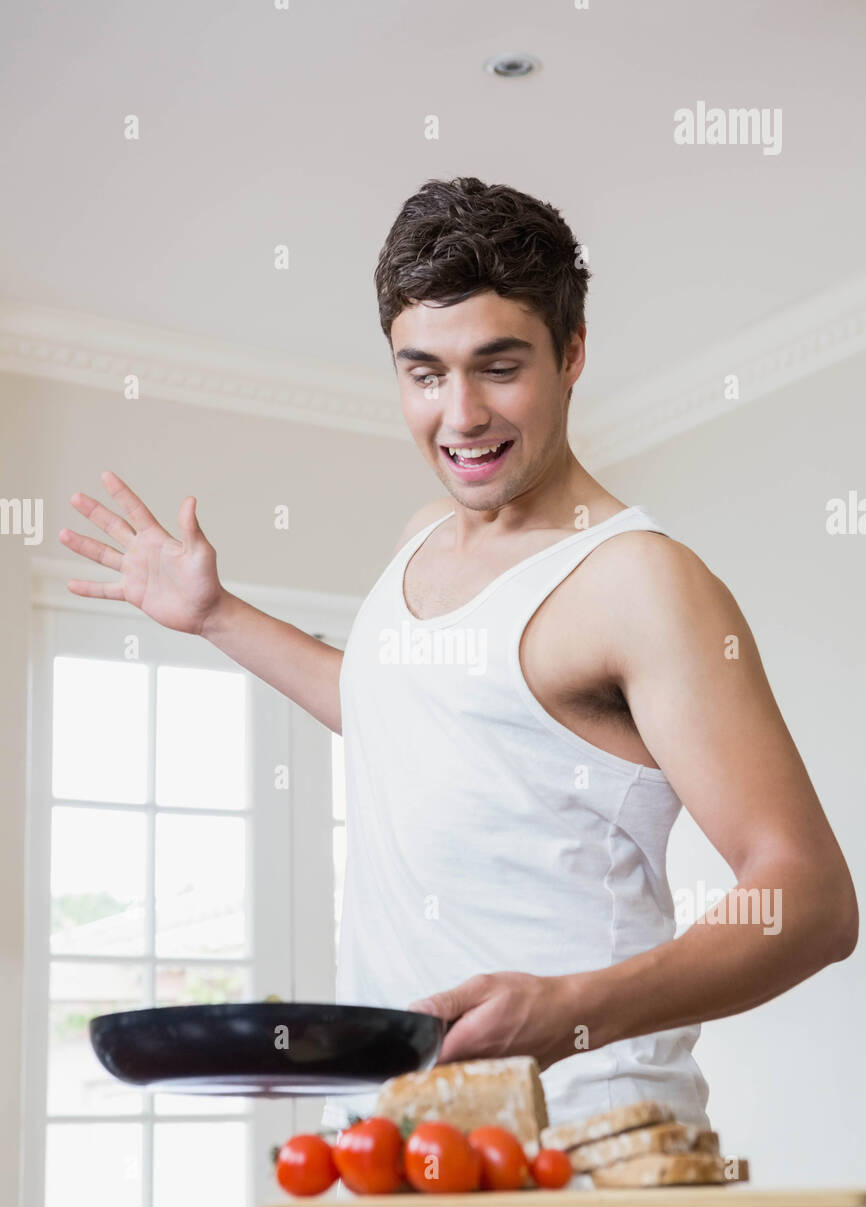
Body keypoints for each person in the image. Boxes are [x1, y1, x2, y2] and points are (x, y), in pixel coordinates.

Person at [59, 176, 858, 1133]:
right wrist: (217, 614)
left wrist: (571, 1013)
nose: (461, 415)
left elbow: (809, 899)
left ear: (572, 354)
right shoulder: (423, 536)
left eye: (498, 365)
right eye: (425, 373)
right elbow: (410, 715)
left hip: (585, 1141)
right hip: (405, 1129)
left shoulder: (642, 583)